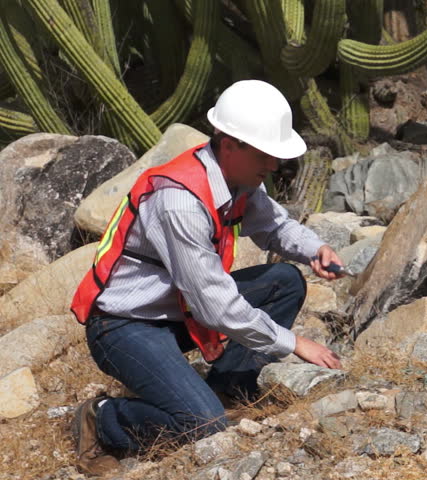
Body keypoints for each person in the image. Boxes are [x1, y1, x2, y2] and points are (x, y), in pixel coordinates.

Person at [68, 80, 343, 475]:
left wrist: (315, 248)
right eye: (266, 155)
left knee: (285, 279)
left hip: (176, 312)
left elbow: (275, 226)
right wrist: (292, 342)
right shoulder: (180, 201)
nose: (274, 165)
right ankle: (104, 418)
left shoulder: (238, 178)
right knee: (205, 426)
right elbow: (215, 305)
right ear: (229, 143)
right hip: (124, 326)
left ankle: (227, 386)